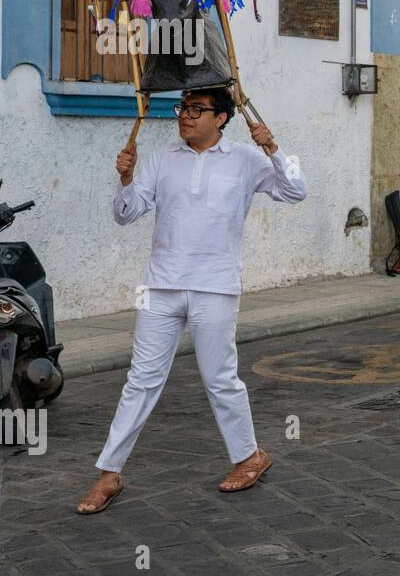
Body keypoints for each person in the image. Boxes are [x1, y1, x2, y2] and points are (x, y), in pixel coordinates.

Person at [76, 88, 307, 514]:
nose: (185, 116)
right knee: (141, 380)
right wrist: (124, 178)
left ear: (221, 118)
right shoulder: (163, 157)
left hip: (216, 285)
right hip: (160, 285)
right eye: (183, 108)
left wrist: (273, 148)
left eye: (197, 110)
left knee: (220, 378)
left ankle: (249, 456)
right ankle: (109, 474)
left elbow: (295, 191)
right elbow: (126, 214)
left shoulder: (246, 158)